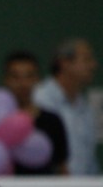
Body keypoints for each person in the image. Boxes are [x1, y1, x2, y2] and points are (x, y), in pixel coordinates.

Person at [34, 38, 98, 176]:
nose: (93, 65)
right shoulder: (39, 99)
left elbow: (89, 158)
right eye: (86, 59)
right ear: (65, 63)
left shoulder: (85, 107)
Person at [2, 51, 69, 176]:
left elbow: (62, 167)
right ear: (6, 80)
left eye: (29, 76)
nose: (23, 84)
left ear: (37, 79)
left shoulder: (52, 120)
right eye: (15, 77)